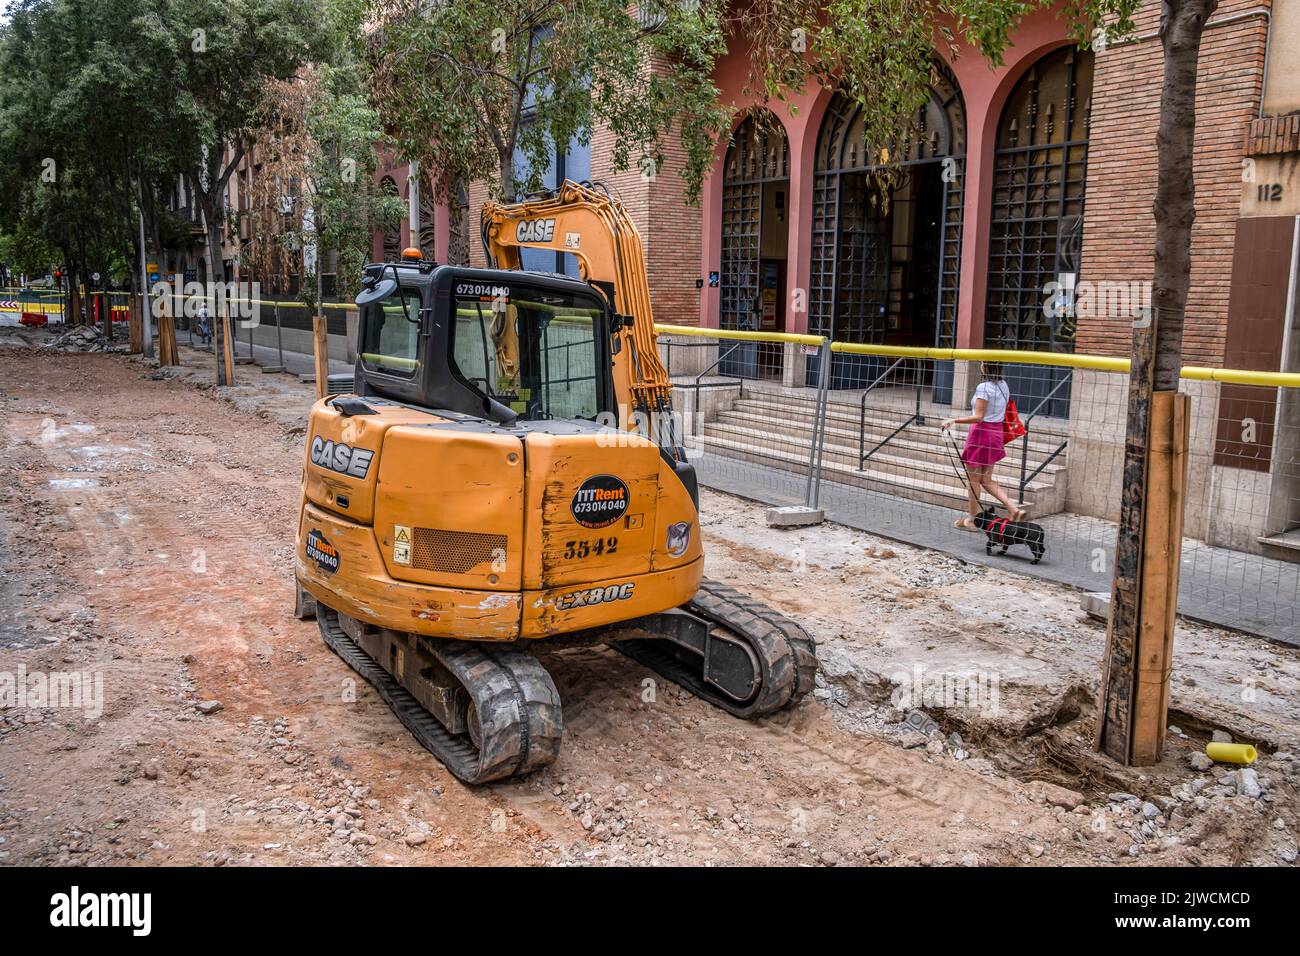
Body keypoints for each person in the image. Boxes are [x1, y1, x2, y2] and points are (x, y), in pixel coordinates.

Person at [941, 362, 1025, 530]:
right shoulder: (1004, 385)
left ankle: (971, 520)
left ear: (985, 367)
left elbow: (979, 417)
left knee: (973, 481)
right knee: (986, 480)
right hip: (996, 434)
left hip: (980, 435)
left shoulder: (983, 387)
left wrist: (953, 420)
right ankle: (1014, 509)